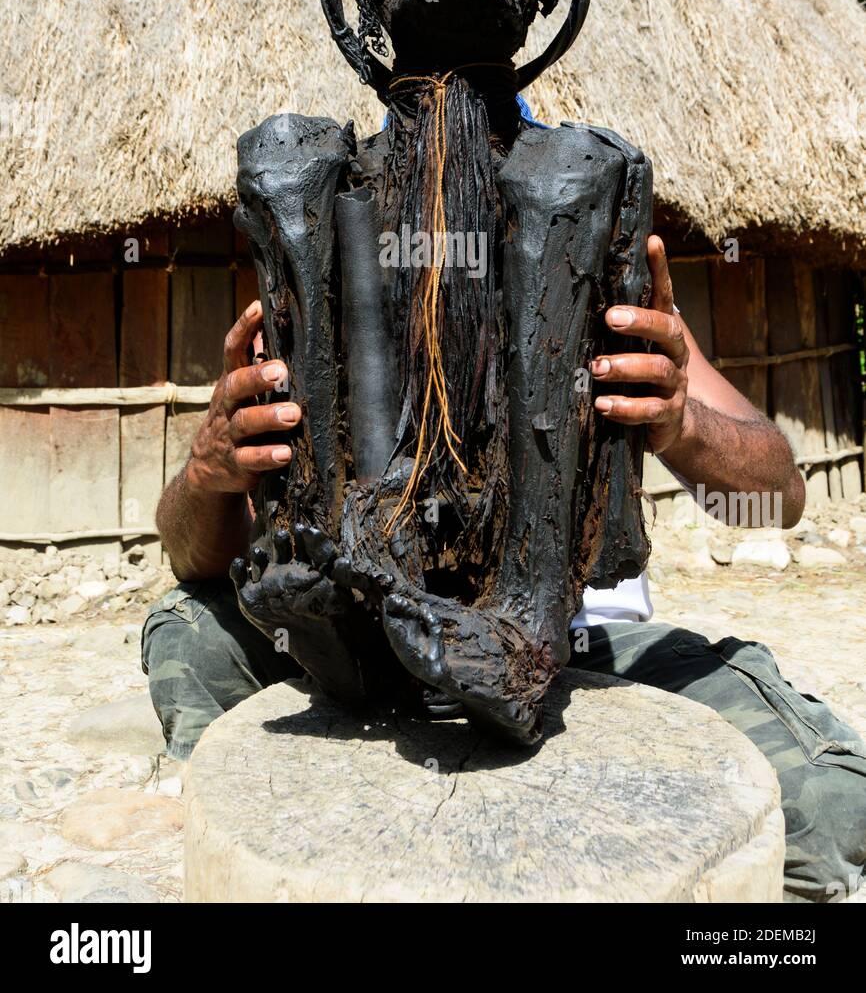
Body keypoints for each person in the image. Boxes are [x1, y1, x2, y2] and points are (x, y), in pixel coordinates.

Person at [145, 230, 865, 903]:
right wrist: (209, 473)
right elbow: (190, 554)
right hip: (360, 653)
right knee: (191, 633)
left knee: (833, 804)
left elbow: (779, 501)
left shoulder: (604, 285)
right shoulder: (318, 284)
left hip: (576, 657)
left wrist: (681, 423)